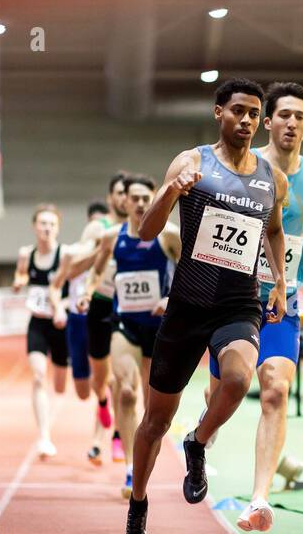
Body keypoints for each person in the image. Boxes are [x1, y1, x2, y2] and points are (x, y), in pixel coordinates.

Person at [123, 78, 289, 534]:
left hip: (238, 304)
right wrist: (172, 191)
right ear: (219, 112)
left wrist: (277, 280)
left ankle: (197, 442)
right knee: (155, 421)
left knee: (237, 380)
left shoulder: (269, 177)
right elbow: (147, 231)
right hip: (187, 306)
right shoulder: (192, 162)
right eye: (238, 110)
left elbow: (273, 231)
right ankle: (138, 505)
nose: (247, 121)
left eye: (254, 114)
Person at [204, 82, 303, 532]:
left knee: (276, 389)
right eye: (284, 115)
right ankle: (200, 443)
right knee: (222, 392)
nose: (292, 123)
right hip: (234, 300)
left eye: (300, 116)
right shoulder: (248, 166)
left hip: (285, 300)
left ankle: (259, 499)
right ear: (268, 121)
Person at [80, 174, 181, 497]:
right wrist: (87, 291)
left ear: (154, 199)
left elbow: (190, 269)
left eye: (144, 198)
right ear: (125, 202)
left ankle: (145, 459)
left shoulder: (169, 236)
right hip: (124, 323)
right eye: (133, 198)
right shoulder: (113, 237)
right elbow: (96, 270)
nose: (138, 203)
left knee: (154, 412)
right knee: (125, 392)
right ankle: (129, 468)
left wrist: (171, 300)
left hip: (159, 329)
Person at [51, 187, 126, 466]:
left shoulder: (134, 231)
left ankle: (111, 437)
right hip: (81, 316)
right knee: (87, 388)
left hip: (116, 309)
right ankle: (104, 402)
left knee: (119, 379)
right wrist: (100, 249)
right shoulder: (87, 243)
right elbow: (66, 276)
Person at [12, 204, 71, 458]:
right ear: (34, 227)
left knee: (59, 386)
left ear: (57, 228)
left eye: (51, 224)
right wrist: (19, 281)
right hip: (37, 323)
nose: (46, 228)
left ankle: (48, 427)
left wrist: (62, 309)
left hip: (59, 324)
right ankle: (44, 437)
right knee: (37, 376)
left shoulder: (66, 254)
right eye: (42, 223)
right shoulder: (26, 254)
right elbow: (22, 274)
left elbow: (75, 290)